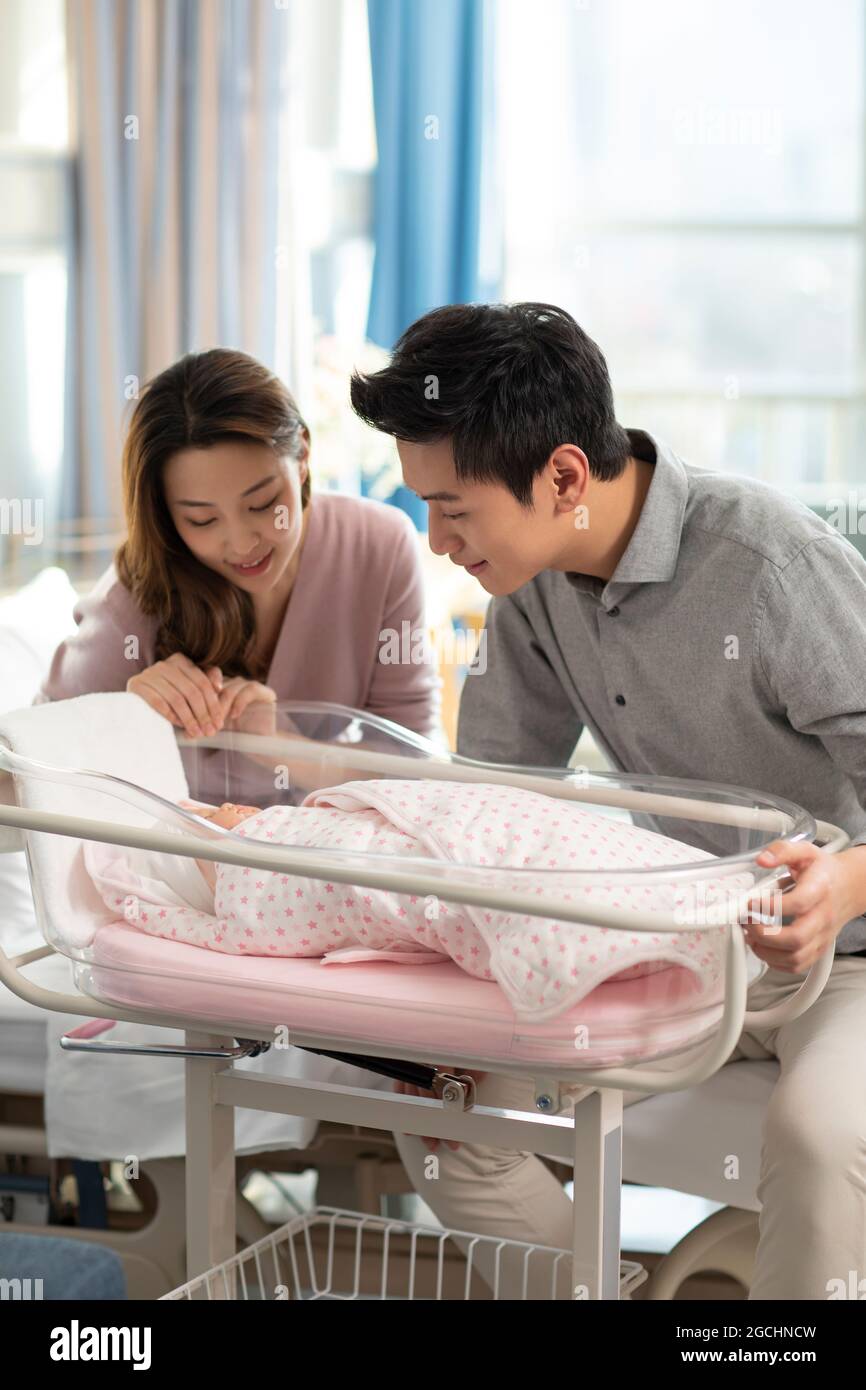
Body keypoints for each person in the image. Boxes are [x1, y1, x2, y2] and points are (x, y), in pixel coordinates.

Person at [350, 300, 866, 1300]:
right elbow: (496, 797)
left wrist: (842, 887)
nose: (436, 539)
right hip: (682, 944)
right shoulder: (534, 586)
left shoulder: (769, 569)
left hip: (845, 956)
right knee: (440, 1108)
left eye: (453, 508)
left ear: (563, 477)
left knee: (815, 1135)